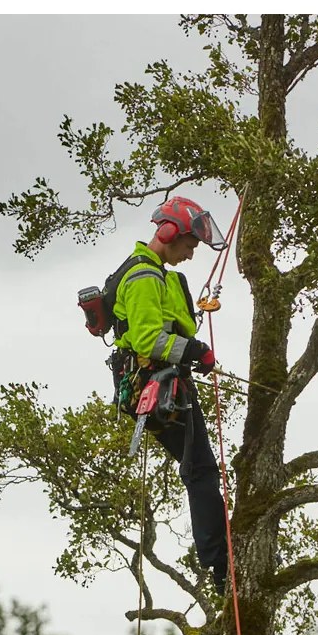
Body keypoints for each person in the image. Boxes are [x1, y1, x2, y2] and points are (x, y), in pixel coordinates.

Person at [109, 195, 229, 591]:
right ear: (167, 233)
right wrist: (195, 351)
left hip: (164, 383)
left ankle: (219, 557)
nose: (192, 255)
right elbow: (146, 337)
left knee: (201, 468)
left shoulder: (161, 275)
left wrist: (192, 343)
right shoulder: (144, 275)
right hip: (157, 385)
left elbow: (170, 325)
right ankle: (220, 562)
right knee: (201, 469)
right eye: (190, 245)